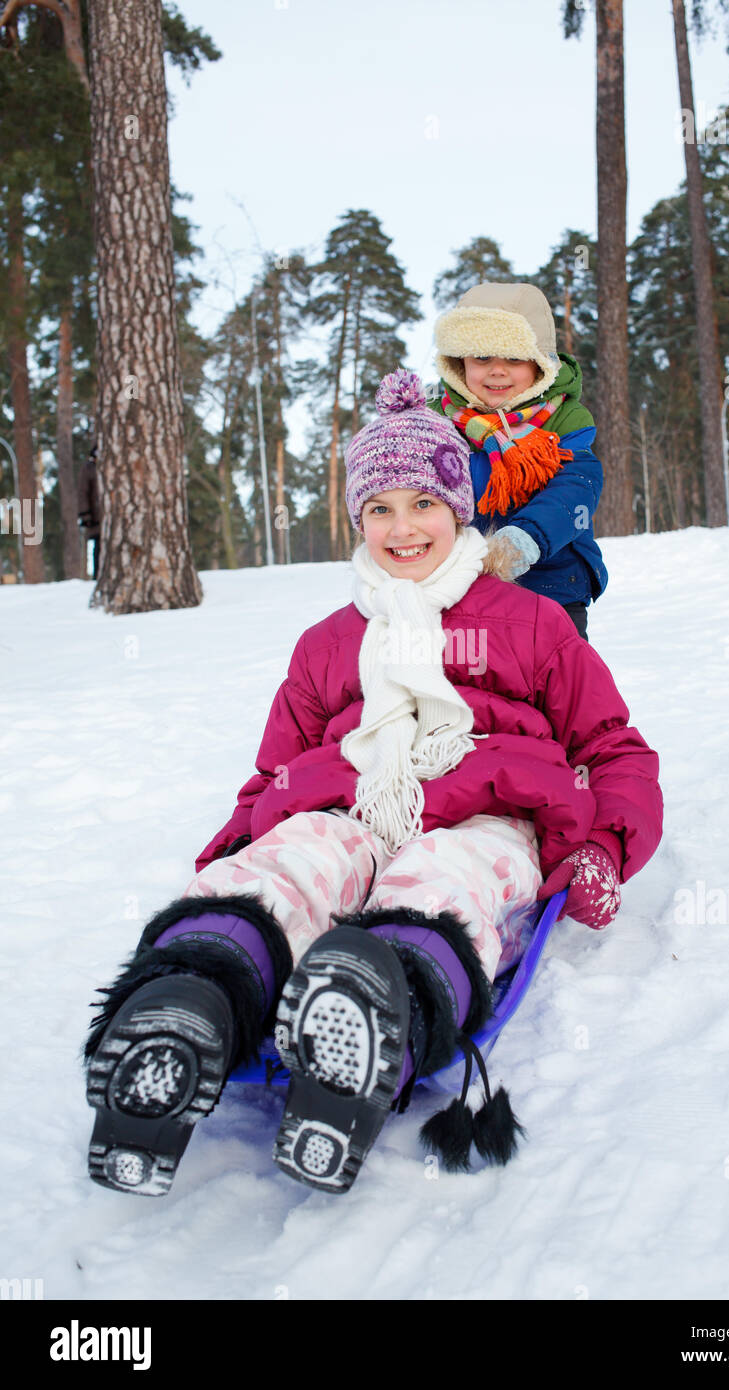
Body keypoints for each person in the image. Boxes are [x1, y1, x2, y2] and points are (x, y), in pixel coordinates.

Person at [84, 370, 662, 1200]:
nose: (402, 527)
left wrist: (604, 846)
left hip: (489, 809)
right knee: (293, 862)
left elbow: (615, 751)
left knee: (445, 878)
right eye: (379, 508)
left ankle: (376, 1004)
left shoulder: (531, 623)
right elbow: (272, 774)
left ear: (459, 509)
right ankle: (191, 1003)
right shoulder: (330, 641)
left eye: (422, 504)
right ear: (357, 520)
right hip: (349, 799)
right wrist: (240, 848)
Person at [428, 281, 606, 640]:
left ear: (540, 363)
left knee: (559, 683)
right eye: (482, 358)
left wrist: (526, 538)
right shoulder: (434, 423)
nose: (497, 370)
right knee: (469, 683)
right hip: (455, 585)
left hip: (550, 583)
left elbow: (574, 489)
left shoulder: (563, 419)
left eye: (513, 358)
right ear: (459, 363)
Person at [77, 444, 101, 578]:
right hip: (96, 517)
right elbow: (82, 493)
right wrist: (85, 515)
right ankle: (96, 576)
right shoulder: (89, 469)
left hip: (106, 517)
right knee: (99, 547)